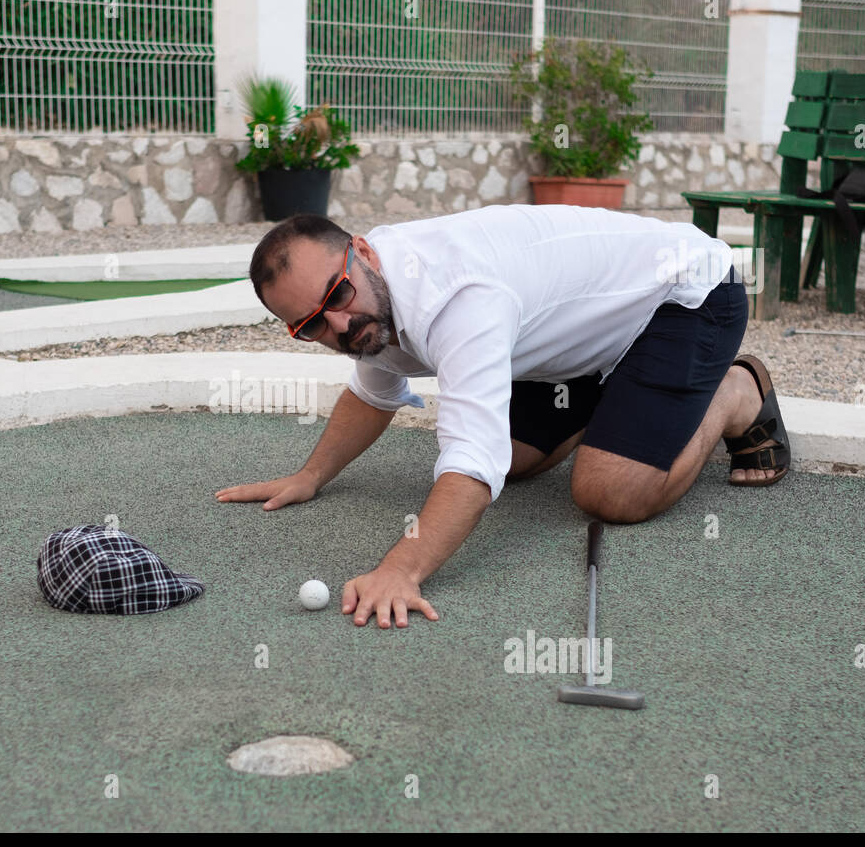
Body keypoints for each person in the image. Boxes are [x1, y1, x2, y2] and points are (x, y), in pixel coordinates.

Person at [214, 206, 791, 630]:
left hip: (687, 294)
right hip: (579, 336)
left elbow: (472, 460)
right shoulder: (369, 300)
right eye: (309, 325)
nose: (335, 326)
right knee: (514, 458)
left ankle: (735, 391)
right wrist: (309, 475)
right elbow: (375, 390)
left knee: (607, 491)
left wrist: (401, 570)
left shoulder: (459, 299)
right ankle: (624, 400)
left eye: (336, 296)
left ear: (363, 253)